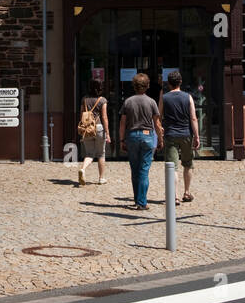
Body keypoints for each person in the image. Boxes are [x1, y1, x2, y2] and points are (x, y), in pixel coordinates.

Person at [117, 72, 163, 210]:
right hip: (147, 136)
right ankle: (142, 202)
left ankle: (138, 199)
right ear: (147, 86)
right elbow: (157, 124)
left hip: (132, 136)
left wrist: (121, 140)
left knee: (135, 169)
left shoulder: (128, 101)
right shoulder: (151, 102)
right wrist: (160, 139)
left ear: (134, 86)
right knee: (144, 170)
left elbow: (122, 123)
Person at [160, 69, 200, 204]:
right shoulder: (187, 97)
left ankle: (174, 196)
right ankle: (187, 192)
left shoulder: (164, 98)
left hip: (170, 134)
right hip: (186, 134)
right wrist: (197, 136)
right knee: (188, 164)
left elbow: (159, 116)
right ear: (180, 82)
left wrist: (160, 133)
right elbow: (193, 118)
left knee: (172, 166)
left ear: (168, 83)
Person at [77, 79, 110, 186]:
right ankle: (101, 178)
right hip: (99, 127)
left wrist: (82, 128)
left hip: (87, 128)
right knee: (101, 154)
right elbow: (104, 117)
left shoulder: (84, 99)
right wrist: (108, 133)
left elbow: (81, 115)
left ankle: (83, 169)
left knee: (89, 154)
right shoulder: (102, 100)